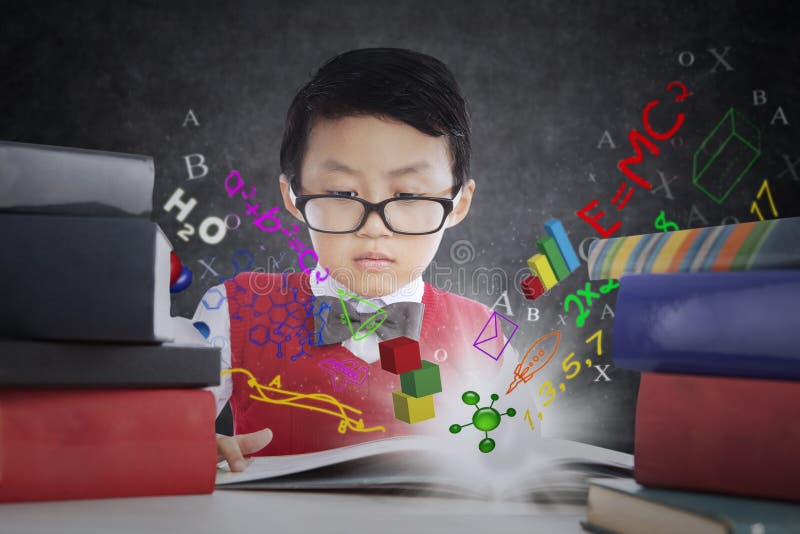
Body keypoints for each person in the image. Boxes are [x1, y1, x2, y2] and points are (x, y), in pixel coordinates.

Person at [194, 48, 517, 472]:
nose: (375, 226)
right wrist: (189, 444)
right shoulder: (231, 310)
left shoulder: (487, 336)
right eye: (344, 194)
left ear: (458, 203)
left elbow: (517, 460)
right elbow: (153, 431)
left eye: (408, 196)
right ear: (293, 195)